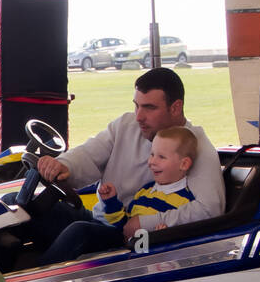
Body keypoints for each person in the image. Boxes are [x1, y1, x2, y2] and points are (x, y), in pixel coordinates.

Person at [18, 66, 224, 258]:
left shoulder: (197, 146)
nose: (139, 116)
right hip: (101, 218)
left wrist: (145, 222)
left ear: (176, 107)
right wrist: (63, 165)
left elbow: (209, 209)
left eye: (149, 108)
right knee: (15, 206)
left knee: (80, 233)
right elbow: (89, 154)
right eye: (136, 106)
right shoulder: (126, 125)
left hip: (132, 239)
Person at [39, 125, 200, 265]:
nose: (151, 162)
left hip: (133, 255)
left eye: (161, 157)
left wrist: (161, 237)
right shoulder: (147, 191)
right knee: (41, 207)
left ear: (184, 164)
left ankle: (37, 278)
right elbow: (123, 224)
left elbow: (167, 249)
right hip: (124, 240)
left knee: (80, 232)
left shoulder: (185, 203)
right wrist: (111, 203)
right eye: (152, 155)